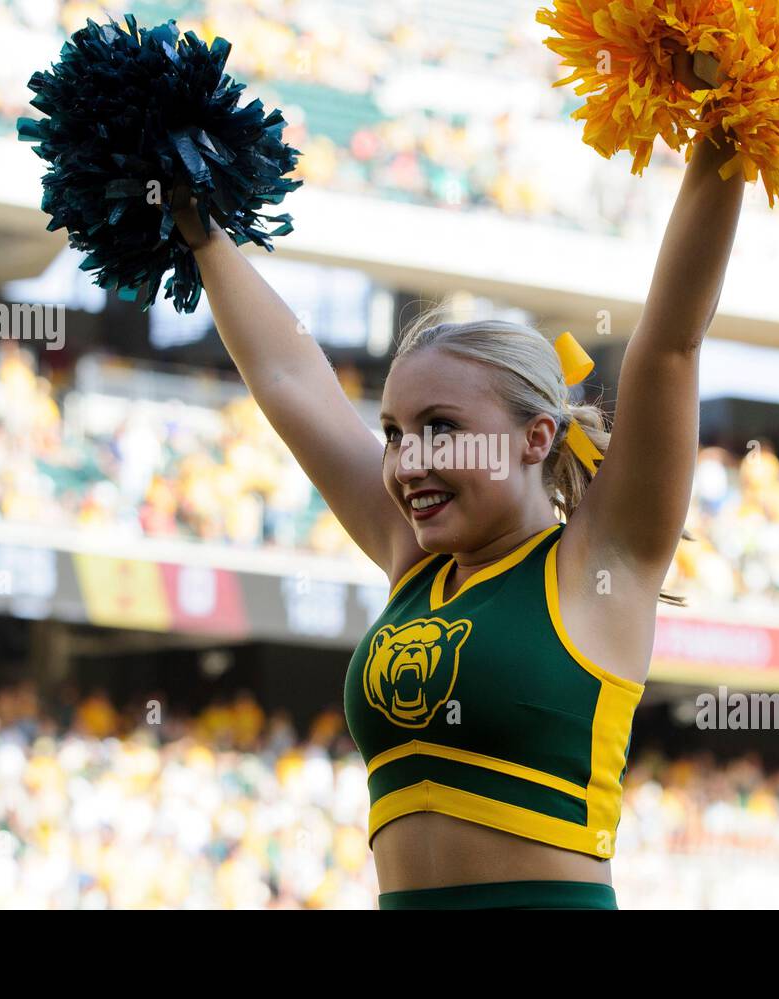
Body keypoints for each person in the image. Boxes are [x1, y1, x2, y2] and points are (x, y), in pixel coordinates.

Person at [171, 45, 744, 910]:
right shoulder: (414, 557)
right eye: (396, 433)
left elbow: (670, 341)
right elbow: (291, 377)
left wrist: (729, 119)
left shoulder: (603, 559)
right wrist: (196, 226)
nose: (407, 463)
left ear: (533, 436)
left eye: (443, 430)